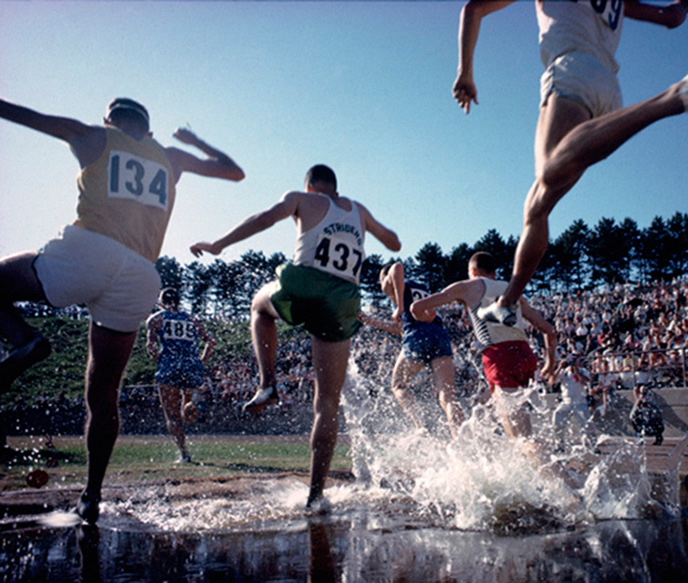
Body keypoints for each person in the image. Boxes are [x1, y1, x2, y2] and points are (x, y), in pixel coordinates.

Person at [0, 97, 244, 524]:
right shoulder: (171, 157)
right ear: (148, 130)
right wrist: (195, 140)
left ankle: (25, 340)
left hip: (87, 252)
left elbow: (29, 117)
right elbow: (233, 171)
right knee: (103, 395)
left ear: (109, 120)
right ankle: (91, 496)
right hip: (140, 274)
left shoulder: (95, 135)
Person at [453, 0, 688, 326]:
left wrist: (465, 73)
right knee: (536, 206)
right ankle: (508, 302)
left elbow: (473, 8)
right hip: (609, 89)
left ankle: (674, 97)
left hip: (571, 70)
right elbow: (673, 17)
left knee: (549, 168)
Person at [190, 164, 401, 509]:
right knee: (328, 404)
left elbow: (264, 218)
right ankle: (316, 495)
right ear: (335, 188)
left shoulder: (302, 199)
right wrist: (371, 229)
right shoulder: (357, 209)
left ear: (309, 185)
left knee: (259, 306)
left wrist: (219, 244)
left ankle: (267, 382)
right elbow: (394, 242)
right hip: (343, 298)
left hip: (306, 282)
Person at [409, 251, 556, 446]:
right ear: (493, 274)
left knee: (524, 442)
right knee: (505, 422)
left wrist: (423, 318)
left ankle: (562, 477)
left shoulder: (468, 286)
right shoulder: (513, 291)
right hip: (525, 355)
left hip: (500, 356)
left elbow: (416, 307)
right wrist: (551, 362)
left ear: (472, 271)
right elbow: (549, 330)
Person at [359, 262, 465, 438]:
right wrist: (371, 321)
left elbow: (398, 267)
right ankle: (462, 439)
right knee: (447, 397)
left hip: (418, 335)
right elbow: (402, 329)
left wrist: (399, 306)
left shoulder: (392, 287)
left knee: (398, 385)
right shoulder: (419, 288)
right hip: (439, 334)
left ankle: (421, 426)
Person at [146, 287, 216, 463]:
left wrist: (158, 358)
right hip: (191, 366)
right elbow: (211, 342)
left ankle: (184, 453)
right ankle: (191, 403)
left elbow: (152, 349)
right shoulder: (192, 319)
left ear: (161, 303)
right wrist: (201, 361)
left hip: (169, 366)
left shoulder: (156, 319)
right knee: (186, 414)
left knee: (171, 415)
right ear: (179, 302)